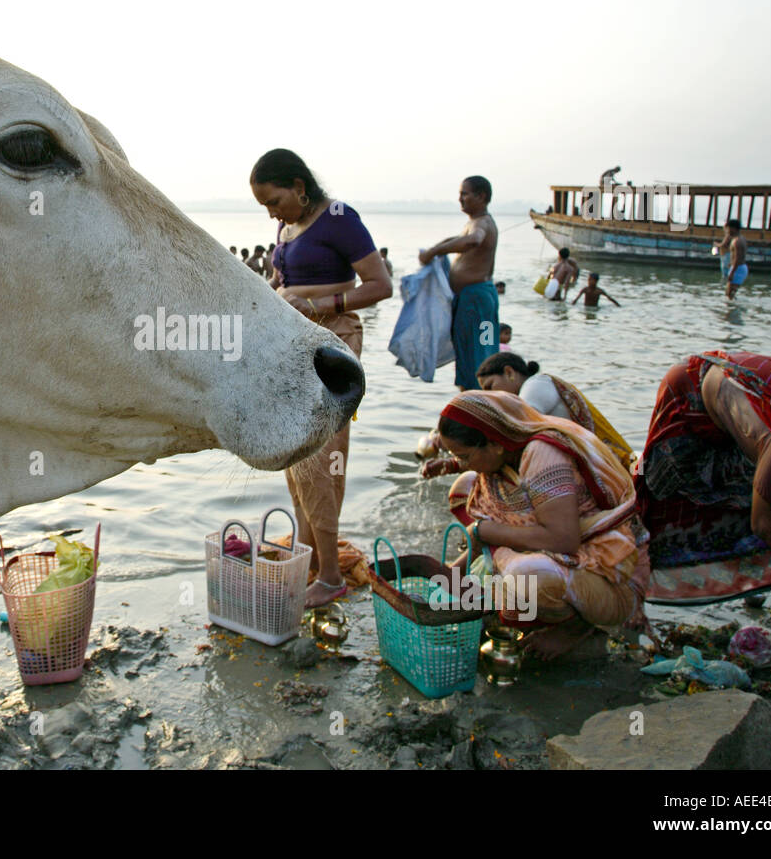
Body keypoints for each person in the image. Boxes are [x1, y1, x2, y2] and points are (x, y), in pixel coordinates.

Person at [251, 148, 393, 607]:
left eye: (275, 201)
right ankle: (312, 561)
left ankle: (331, 576)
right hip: (294, 342)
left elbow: (379, 284)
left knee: (322, 454)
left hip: (333, 342)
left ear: (298, 185)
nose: (272, 212)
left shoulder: (337, 218)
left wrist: (318, 306)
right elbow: (283, 282)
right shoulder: (286, 227)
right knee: (296, 455)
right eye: (265, 207)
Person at [436, 390, 651, 659]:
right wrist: (447, 577)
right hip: (568, 559)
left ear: (495, 445)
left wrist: (485, 532)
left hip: (613, 578)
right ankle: (531, 611)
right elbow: (490, 534)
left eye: (465, 456)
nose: (461, 463)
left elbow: (564, 540)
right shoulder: (504, 460)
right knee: (464, 488)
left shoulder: (543, 454)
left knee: (524, 577)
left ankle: (577, 628)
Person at [636, 351, 771, 605]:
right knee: (666, 496)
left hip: (747, 410)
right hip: (688, 393)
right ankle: (628, 578)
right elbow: (765, 527)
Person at [423, 351, 632, 474]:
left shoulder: (537, 384)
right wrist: (456, 460)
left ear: (509, 372)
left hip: (610, 468)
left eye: (490, 387)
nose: (489, 396)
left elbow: (513, 431)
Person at [419, 176, 500, 390]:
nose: (460, 199)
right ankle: (471, 398)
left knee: (480, 351)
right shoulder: (474, 222)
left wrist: (435, 251)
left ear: (481, 196)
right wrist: (433, 249)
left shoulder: (482, 223)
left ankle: (480, 399)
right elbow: (457, 238)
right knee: (468, 350)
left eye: (465, 194)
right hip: (472, 299)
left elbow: (473, 240)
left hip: (477, 299)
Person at [716, 219, 748, 300]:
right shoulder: (741, 238)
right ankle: (732, 310)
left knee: (729, 295)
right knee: (730, 294)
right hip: (739, 267)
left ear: (733, 228)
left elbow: (737, 258)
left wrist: (732, 272)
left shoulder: (737, 241)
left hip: (738, 268)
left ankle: (732, 311)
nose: (727, 231)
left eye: (728, 228)